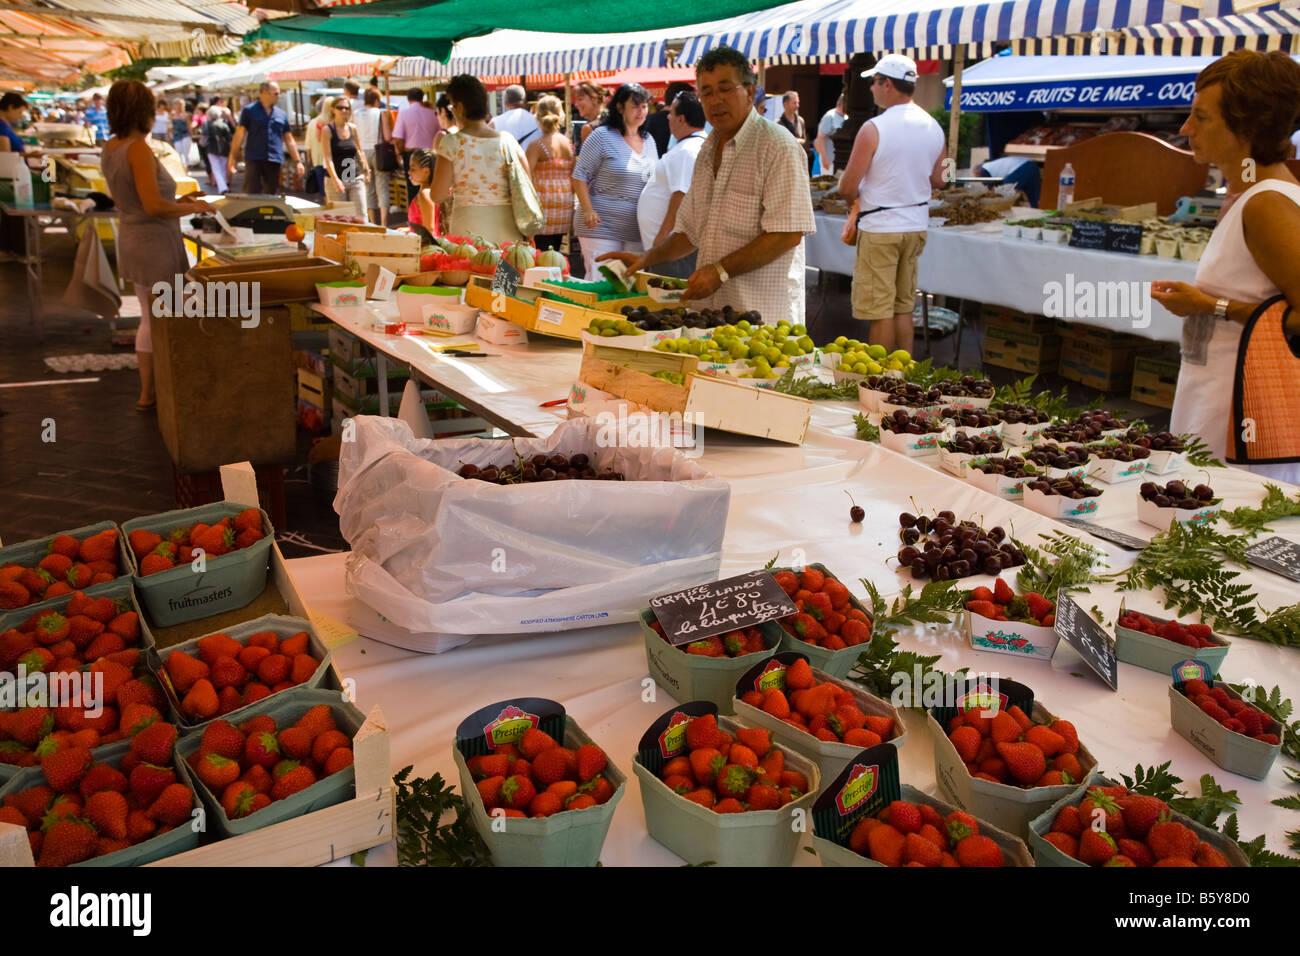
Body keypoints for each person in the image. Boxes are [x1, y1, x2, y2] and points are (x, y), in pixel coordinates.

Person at [1151, 50, 1300, 482]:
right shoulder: (1252, 195)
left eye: (1201, 117)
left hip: (1245, 415)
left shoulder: (1267, 203)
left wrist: (1209, 305)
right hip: (1225, 402)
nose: (1185, 128)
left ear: (1247, 127)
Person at [598, 47, 814, 324]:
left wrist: (720, 271)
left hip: (763, 318)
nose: (716, 101)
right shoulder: (707, 150)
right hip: (710, 318)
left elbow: (788, 233)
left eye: (725, 89)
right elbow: (689, 232)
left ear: (749, 92)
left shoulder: (777, 145)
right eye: (707, 92)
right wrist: (646, 258)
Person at [100, 80, 210, 411]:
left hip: (134, 237)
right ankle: (155, 391)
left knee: (150, 316)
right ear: (143, 111)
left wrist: (180, 199)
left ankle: (150, 392)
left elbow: (140, 199)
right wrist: (193, 208)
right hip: (154, 242)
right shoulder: (137, 149)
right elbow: (153, 206)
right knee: (161, 318)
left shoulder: (111, 147)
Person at [837, 54, 947, 353]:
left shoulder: (874, 128)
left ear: (887, 84)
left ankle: (881, 379)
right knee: (903, 306)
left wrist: (853, 201)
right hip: (915, 225)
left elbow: (847, 185)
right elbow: (942, 178)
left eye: (874, 82)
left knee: (880, 311)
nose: (872, 88)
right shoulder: (934, 126)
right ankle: (905, 374)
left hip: (880, 227)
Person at [572, 82, 658, 278]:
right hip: (601, 228)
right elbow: (579, 175)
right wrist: (587, 210)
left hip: (636, 230)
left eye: (644, 106)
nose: (641, 111)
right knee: (602, 284)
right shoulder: (602, 136)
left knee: (628, 288)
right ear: (620, 108)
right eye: (635, 106)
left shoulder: (649, 140)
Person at [429, 74, 527, 245]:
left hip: (468, 228)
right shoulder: (507, 141)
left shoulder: (452, 142)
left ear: (459, 107)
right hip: (509, 229)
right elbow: (527, 184)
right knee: (508, 271)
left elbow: (437, 194)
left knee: (474, 270)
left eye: (452, 105)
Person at [636, 91, 706, 279]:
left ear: (681, 119)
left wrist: (662, 237)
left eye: (672, 112)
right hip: (672, 250)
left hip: (672, 251)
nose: (667, 116)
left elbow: (681, 195)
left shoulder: (687, 151)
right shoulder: (692, 147)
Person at [228, 81, 303, 195]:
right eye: (276, 94)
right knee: (253, 193)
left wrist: (298, 161)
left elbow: (289, 139)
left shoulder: (281, 114)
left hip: (274, 159)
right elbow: (239, 135)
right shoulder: (249, 111)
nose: (279, 96)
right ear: (264, 93)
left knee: (271, 193)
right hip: (254, 158)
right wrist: (232, 157)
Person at [524, 95, 574, 253]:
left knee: (540, 254)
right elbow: (574, 174)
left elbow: (524, 177)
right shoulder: (567, 143)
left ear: (537, 117)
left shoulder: (536, 146)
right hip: (564, 205)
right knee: (555, 252)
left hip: (542, 207)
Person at [320, 96, 370, 216]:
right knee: (340, 217)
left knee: (361, 214)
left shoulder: (353, 128)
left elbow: (358, 150)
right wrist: (335, 179)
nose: (344, 111)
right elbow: (328, 157)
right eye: (340, 108)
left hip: (354, 177)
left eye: (347, 108)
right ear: (333, 109)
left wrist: (366, 170)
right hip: (336, 178)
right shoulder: (327, 130)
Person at [392, 87, 439, 211]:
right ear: (421, 97)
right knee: (431, 186)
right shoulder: (432, 113)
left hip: (412, 154)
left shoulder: (403, 113)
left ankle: (415, 218)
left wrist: (401, 153)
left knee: (413, 188)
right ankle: (433, 215)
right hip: (431, 154)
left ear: (408, 99)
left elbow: (398, 138)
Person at [354, 88, 384, 224]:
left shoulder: (355, 114)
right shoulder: (380, 113)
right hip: (378, 150)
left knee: (368, 188)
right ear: (377, 100)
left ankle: (372, 221)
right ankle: (384, 221)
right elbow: (387, 135)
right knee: (382, 185)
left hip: (361, 152)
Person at [493, 84, 541, 148]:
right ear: (524, 101)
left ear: (505, 103)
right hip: (531, 157)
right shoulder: (538, 121)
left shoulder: (495, 122)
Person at [777, 90, 813, 173]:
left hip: (800, 162)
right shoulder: (778, 123)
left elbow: (804, 139)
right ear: (785, 104)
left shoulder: (800, 120)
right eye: (794, 103)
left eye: (798, 103)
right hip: (786, 162)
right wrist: (796, 141)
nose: (797, 106)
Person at [203, 103, 234, 194]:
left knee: (216, 169)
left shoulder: (207, 125)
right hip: (224, 149)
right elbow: (229, 139)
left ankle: (223, 187)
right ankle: (223, 186)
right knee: (222, 168)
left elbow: (203, 137)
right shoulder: (223, 125)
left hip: (212, 149)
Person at [406, 148, 437, 234]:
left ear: (426, 172)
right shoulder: (431, 192)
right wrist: (409, 230)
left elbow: (430, 230)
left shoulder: (425, 194)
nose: (409, 172)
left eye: (413, 169)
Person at [571, 81, 607, 154]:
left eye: (580, 99)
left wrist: (571, 155)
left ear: (594, 99)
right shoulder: (612, 120)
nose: (576, 104)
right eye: (575, 100)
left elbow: (587, 164)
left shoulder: (589, 128)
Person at [814, 93, 846, 174]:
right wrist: (824, 158)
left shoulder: (846, 117)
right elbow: (820, 138)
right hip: (829, 162)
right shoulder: (829, 116)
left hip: (841, 161)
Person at [170, 99, 191, 168]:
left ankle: (186, 168)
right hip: (176, 136)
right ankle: (181, 167)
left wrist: (191, 134)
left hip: (185, 135)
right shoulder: (172, 115)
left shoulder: (186, 115)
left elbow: (188, 126)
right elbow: (170, 126)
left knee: (186, 153)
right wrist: (170, 134)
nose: (179, 106)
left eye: (180, 105)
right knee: (178, 152)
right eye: (177, 105)